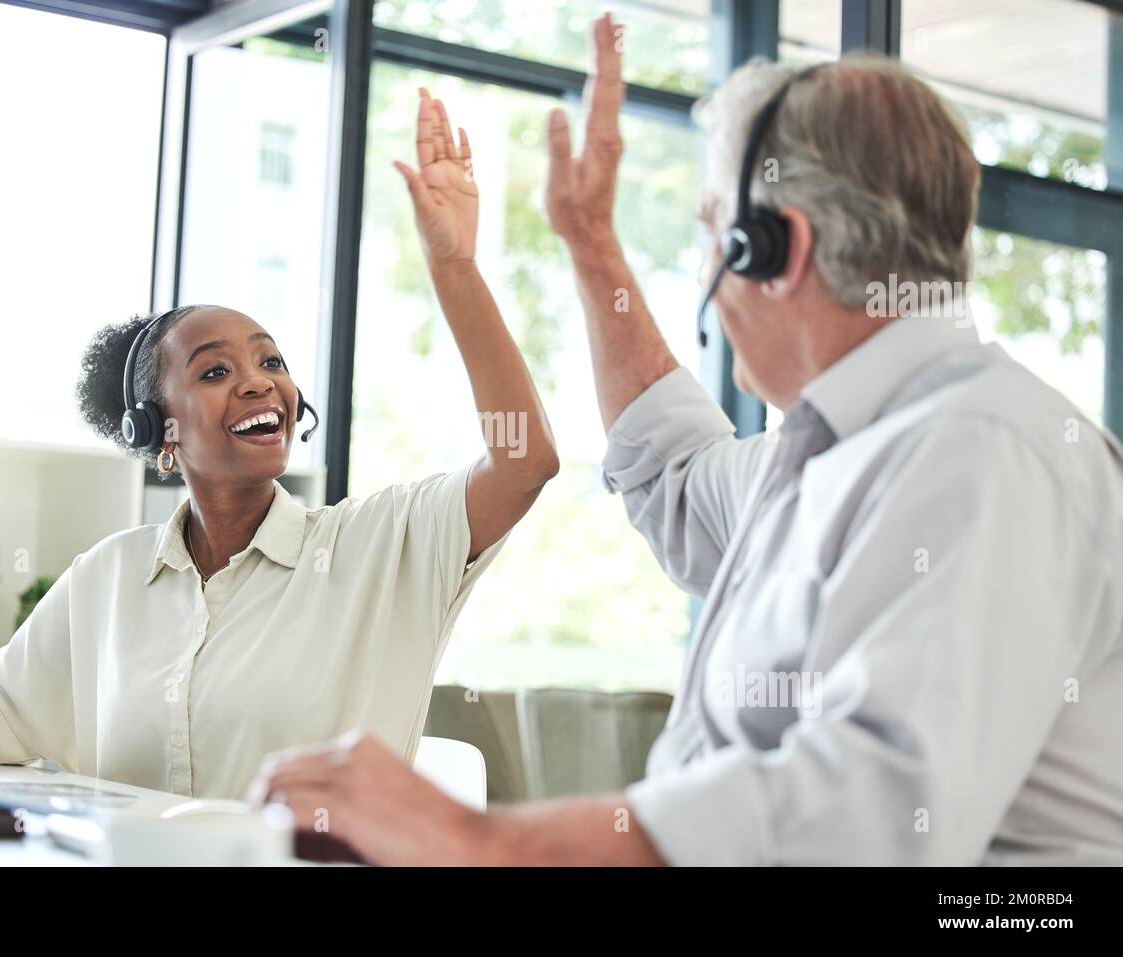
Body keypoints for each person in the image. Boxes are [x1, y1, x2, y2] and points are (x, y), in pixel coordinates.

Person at [251, 14, 1123, 866]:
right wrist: (589, 243)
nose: (708, 265)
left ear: (772, 248)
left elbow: (870, 820)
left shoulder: (987, 451)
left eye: (713, 231)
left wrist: (483, 841)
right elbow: (672, 468)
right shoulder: (834, 449)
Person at [0, 90, 559, 800]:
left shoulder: (376, 545)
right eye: (216, 371)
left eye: (272, 362)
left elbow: (525, 460)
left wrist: (455, 269)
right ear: (158, 430)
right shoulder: (110, 577)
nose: (258, 384)